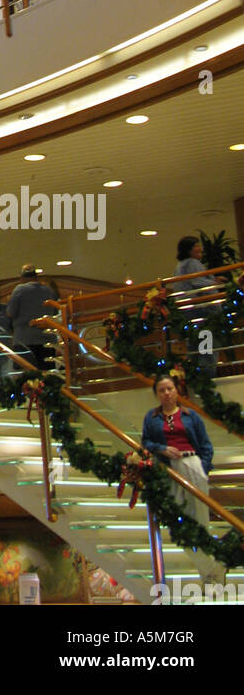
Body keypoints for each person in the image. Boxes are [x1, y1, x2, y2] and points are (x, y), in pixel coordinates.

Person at [141, 374, 225, 586]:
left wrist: (202, 469)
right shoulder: (151, 418)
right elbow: (145, 443)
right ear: (156, 395)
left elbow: (206, 446)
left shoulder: (191, 416)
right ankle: (214, 567)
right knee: (179, 527)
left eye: (170, 388)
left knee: (202, 524)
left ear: (177, 391)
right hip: (169, 471)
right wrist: (162, 449)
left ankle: (208, 578)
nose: (167, 393)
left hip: (193, 466)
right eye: (162, 390)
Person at [174, 236, 219, 375]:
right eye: (196, 246)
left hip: (188, 313)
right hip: (202, 312)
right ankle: (207, 378)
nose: (200, 249)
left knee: (194, 348)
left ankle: (194, 377)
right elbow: (198, 282)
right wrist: (215, 283)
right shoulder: (192, 263)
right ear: (189, 250)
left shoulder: (179, 267)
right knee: (207, 349)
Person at [5, 264, 56, 370]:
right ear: (36, 276)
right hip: (47, 339)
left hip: (25, 339)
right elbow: (54, 311)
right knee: (47, 374)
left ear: (21, 277)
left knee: (28, 377)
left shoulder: (19, 290)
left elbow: (10, 312)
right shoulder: (48, 291)